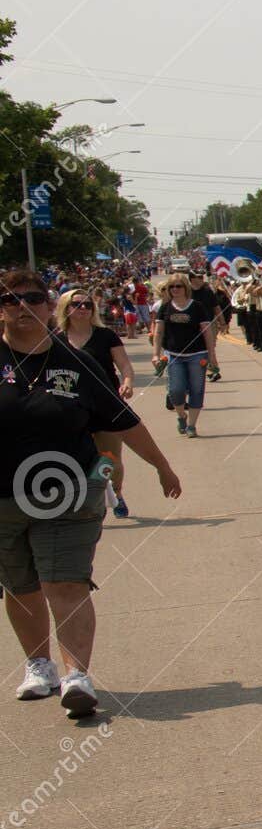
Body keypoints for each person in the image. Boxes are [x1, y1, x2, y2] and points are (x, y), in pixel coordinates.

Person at [2, 268, 182, 717]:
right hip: (3, 499)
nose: (22, 307)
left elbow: (120, 420)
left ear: (49, 306)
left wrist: (161, 466)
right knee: (20, 585)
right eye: (10, 300)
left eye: (33, 298)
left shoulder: (77, 363)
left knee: (65, 581)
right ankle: (39, 666)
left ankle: (76, 676)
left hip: (69, 491)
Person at [56, 289, 136, 518]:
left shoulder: (106, 335)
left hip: (106, 405)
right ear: (65, 308)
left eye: (87, 304)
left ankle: (116, 493)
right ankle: (91, 499)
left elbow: (124, 365)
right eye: (76, 304)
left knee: (109, 458)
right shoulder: (56, 339)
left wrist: (127, 382)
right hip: (70, 409)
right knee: (78, 459)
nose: (83, 308)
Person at [152, 271, 216, 438]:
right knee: (176, 390)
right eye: (171, 286)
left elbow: (207, 332)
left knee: (197, 390)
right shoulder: (165, 307)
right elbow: (158, 332)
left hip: (197, 354)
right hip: (174, 355)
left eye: (178, 286)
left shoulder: (197, 307)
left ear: (186, 288)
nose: (175, 289)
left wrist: (212, 356)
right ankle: (181, 416)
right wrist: (156, 354)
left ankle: (192, 426)